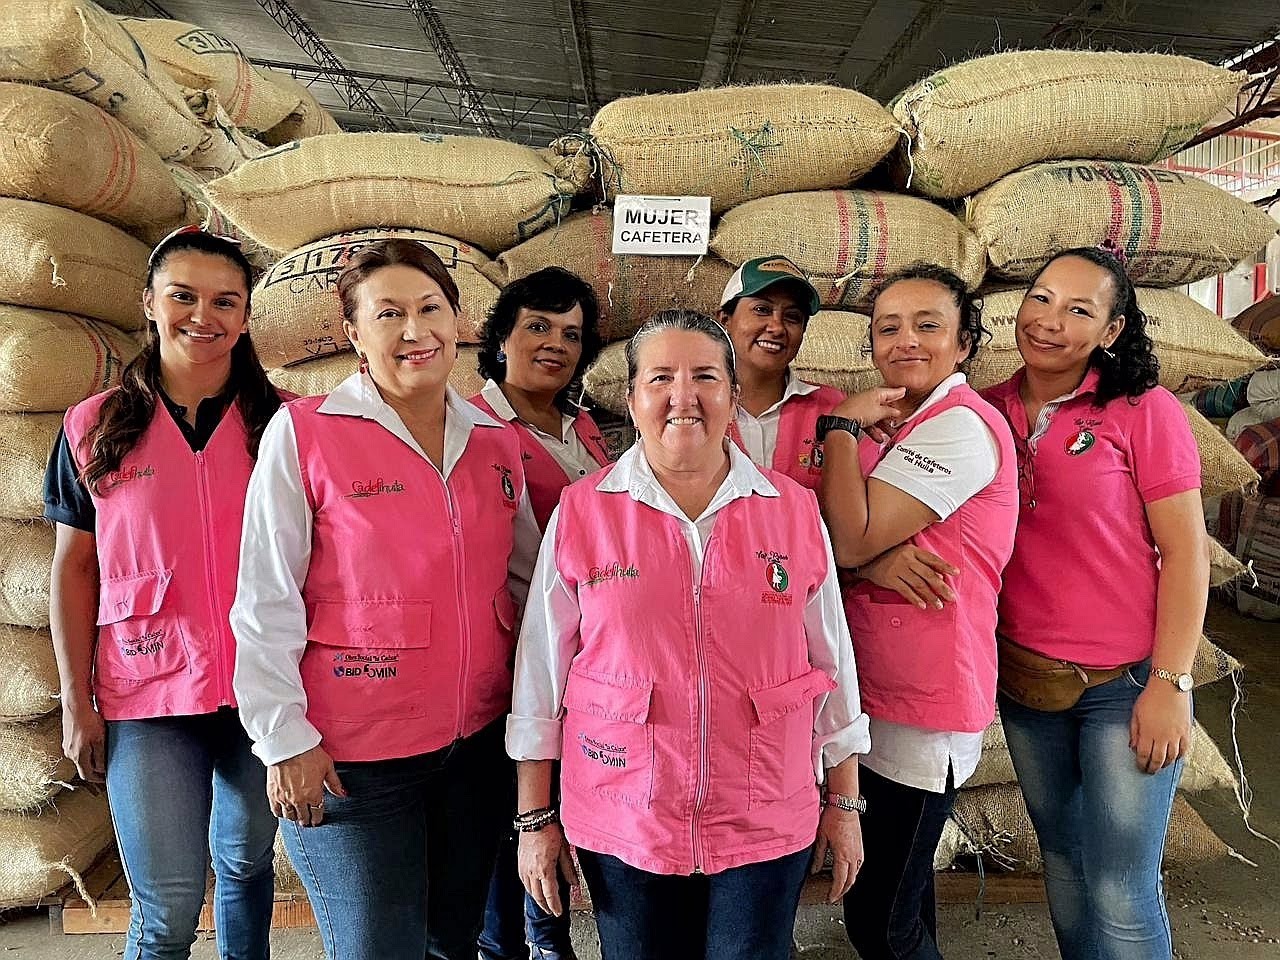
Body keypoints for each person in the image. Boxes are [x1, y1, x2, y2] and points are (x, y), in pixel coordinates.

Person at [507, 310, 870, 960]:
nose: (684, 397)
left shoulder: (790, 510)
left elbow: (832, 666)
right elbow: (540, 680)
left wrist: (844, 804)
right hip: (625, 814)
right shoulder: (585, 511)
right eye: (661, 378)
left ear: (733, 395)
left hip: (765, 808)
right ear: (632, 398)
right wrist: (535, 821)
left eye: (705, 376)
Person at [229, 238, 541, 960]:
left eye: (430, 308)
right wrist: (283, 738)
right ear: (354, 333)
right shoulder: (307, 432)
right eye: (389, 313)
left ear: (457, 320)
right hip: (352, 759)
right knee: (378, 946)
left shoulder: (494, 440)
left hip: (475, 746)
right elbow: (266, 596)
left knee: (452, 941)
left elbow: (525, 586)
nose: (414, 331)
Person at [45, 227, 282, 960]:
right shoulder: (93, 426)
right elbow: (73, 571)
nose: (201, 316)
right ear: (149, 303)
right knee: (167, 906)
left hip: (264, 689)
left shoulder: (286, 424)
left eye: (224, 301)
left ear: (245, 317)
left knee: (246, 866)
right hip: (147, 693)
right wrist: (76, 701)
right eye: (182, 296)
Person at [981, 246, 1208, 960]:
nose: (1049, 321)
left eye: (1080, 309)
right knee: (1066, 862)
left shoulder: (1143, 412)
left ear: (1111, 331)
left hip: (1125, 686)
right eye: (1041, 299)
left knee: (1120, 883)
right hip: (1025, 684)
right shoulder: (984, 412)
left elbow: (1187, 552)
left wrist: (1171, 683)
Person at [818, 264, 1018, 960]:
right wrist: (868, 561)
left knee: (880, 920)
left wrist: (839, 425)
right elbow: (851, 540)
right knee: (904, 902)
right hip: (889, 693)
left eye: (928, 325)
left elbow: (847, 533)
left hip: (922, 704)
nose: (905, 341)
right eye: (888, 328)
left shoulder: (959, 426)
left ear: (964, 343)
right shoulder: (911, 425)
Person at [470, 267, 610, 960]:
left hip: (577, 656)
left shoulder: (582, 426)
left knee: (548, 804)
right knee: (513, 818)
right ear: (501, 338)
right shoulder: (472, 425)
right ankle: (523, 947)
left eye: (572, 334)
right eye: (538, 327)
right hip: (511, 655)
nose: (556, 344)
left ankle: (546, 939)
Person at [717, 255, 844, 488]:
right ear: (726, 319)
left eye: (792, 317)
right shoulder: (696, 405)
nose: (776, 327)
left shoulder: (833, 408)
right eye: (761, 309)